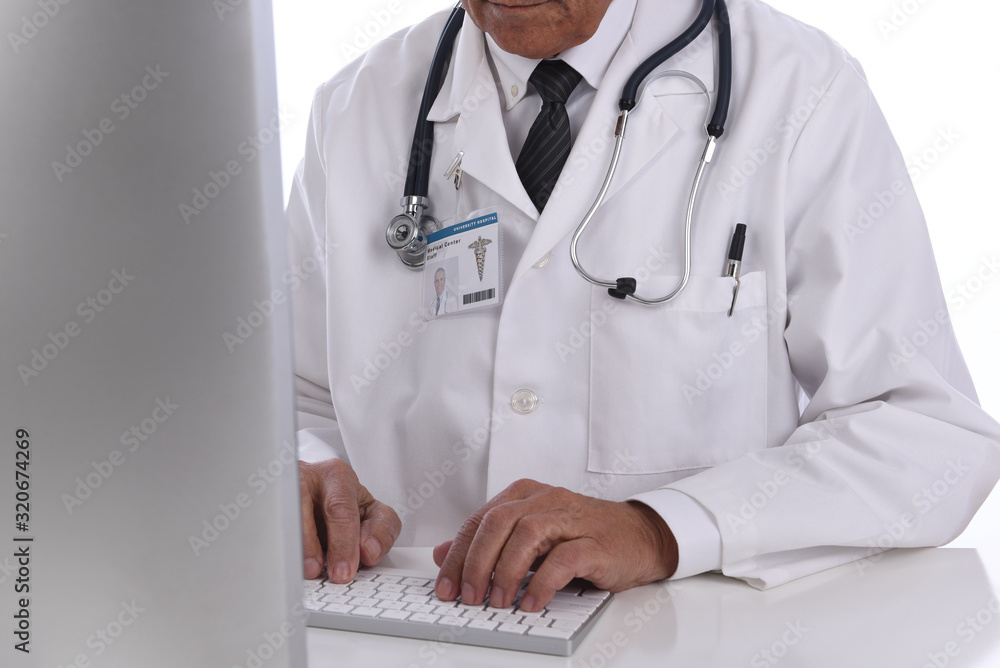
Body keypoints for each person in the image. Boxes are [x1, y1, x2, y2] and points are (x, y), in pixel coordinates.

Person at [290, 0, 1000, 612]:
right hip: (414, 629)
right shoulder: (357, 107)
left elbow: (926, 433)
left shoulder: (800, 90)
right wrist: (304, 471)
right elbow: (288, 399)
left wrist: (661, 529)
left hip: (689, 637)